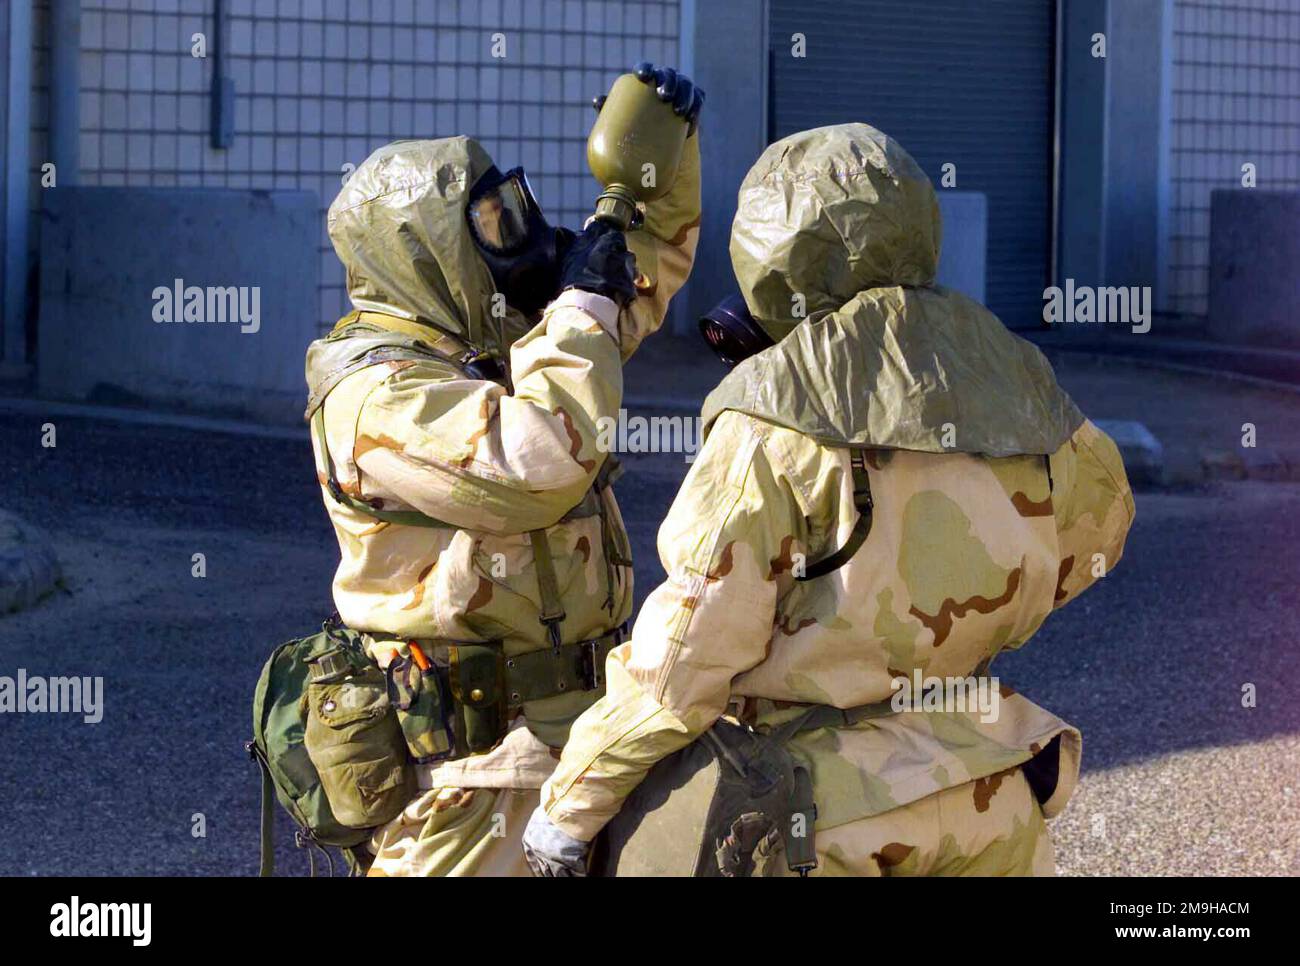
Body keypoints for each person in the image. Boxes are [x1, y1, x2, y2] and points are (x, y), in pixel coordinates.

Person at [523, 123, 1135, 877]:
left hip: (826, 815)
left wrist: (568, 809)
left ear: (770, 259)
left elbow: (683, 664)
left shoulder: (772, 417)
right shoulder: (1012, 372)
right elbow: (1101, 529)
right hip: (988, 778)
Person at [304, 65, 702, 876]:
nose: (513, 237)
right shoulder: (375, 392)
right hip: (468, 779)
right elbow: (538, 464)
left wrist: (666, 149)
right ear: (429, 251)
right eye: (489, 224)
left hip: (582, 747)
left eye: (510, 210)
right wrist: (580, 304)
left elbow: (647, 271)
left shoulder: (491, 346)